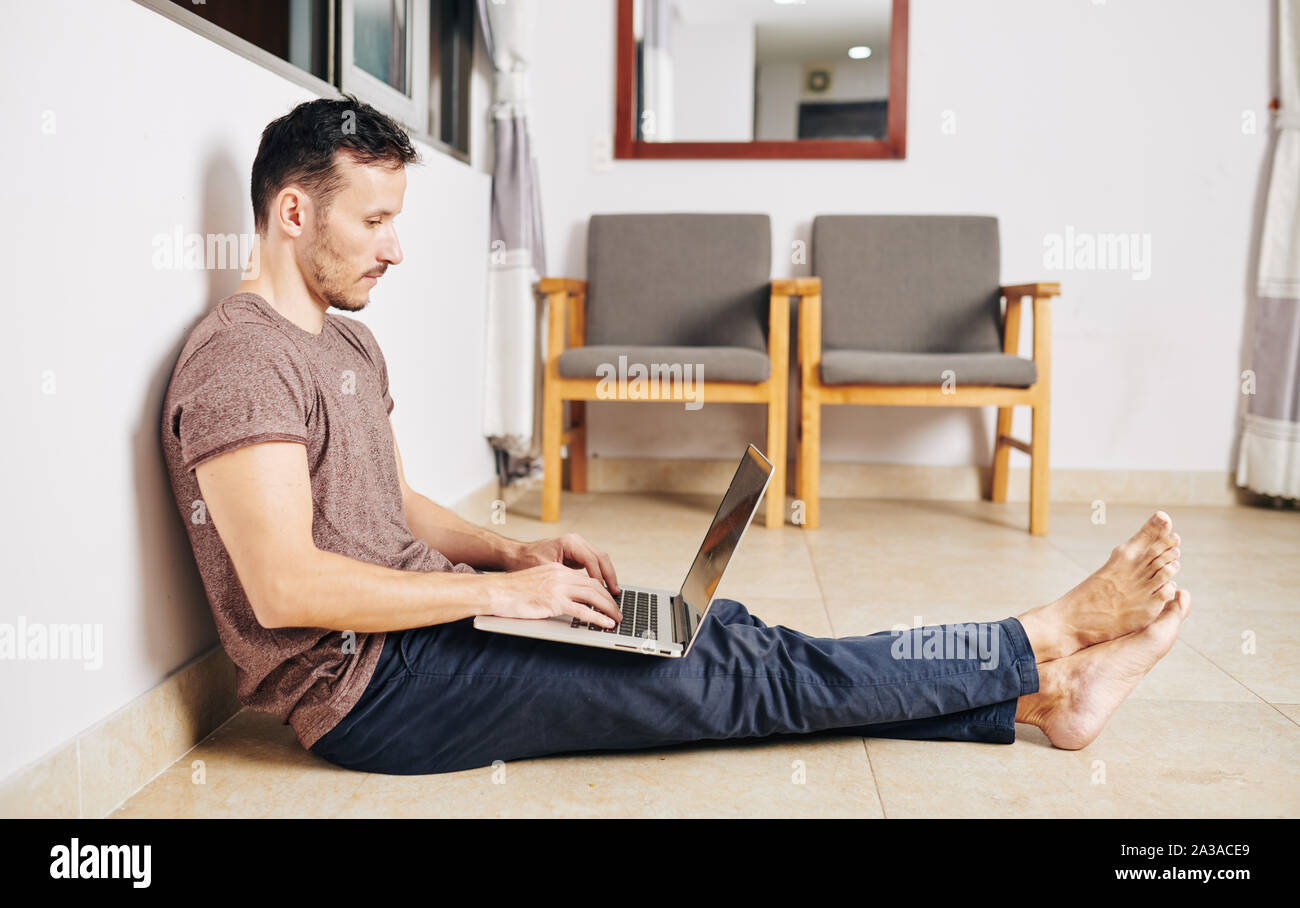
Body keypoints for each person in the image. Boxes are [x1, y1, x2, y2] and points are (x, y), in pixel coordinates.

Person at [161, 96, 1190, 777]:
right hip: (377, 693)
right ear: (293, 213)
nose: (396, 248)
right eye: (373, 220)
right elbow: (284, 587)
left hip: (429, 631)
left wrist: (514, 551)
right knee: (725, 675)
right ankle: (1036, 640)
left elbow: (383, 505)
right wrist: (495, 594)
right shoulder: (239, 362)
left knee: (722, 632)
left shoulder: (341, 343)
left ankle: (1036, 698)